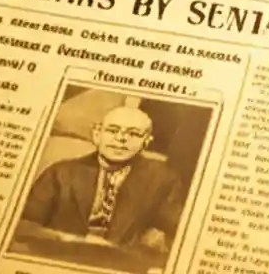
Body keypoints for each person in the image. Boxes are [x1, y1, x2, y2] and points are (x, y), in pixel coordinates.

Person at [14, 105, 185, 261]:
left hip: (120, 263)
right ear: (97, 134)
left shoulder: (162, 179)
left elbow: (176, 231)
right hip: (60, 257)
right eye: (112, 130)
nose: (121, 139)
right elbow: (24, 225)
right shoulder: (61, 172)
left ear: (146, 142)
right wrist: (70, 240)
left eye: (133, 133)